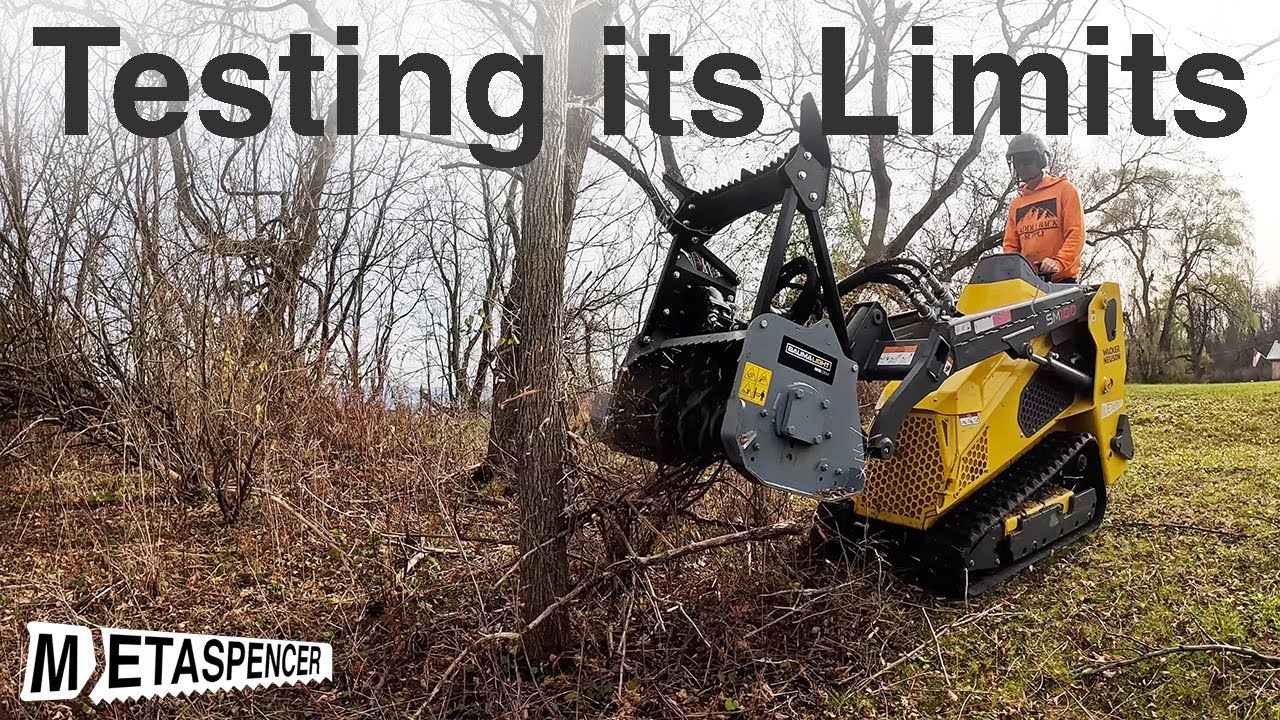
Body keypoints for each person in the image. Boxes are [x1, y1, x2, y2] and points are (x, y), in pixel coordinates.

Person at [1001, 133, 1085, 283]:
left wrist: (1058, 262)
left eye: (1026, 161)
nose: (1022, 167)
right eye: (1017, 163)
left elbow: (1076, 234)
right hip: (1027, 284)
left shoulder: (1064, 190)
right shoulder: (1017, 204)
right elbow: (1010, 246)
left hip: (1062, 283)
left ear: (1041, 161)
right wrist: (1014, 270)